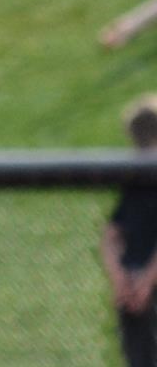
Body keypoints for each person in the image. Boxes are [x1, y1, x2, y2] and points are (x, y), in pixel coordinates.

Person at [102, 96, 157, 367]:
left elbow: (111, 237)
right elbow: (112, 233)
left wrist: (124, 279)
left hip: (135, 282)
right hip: (138, 286)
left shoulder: (134, 177)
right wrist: (127, 281)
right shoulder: (135, 179)